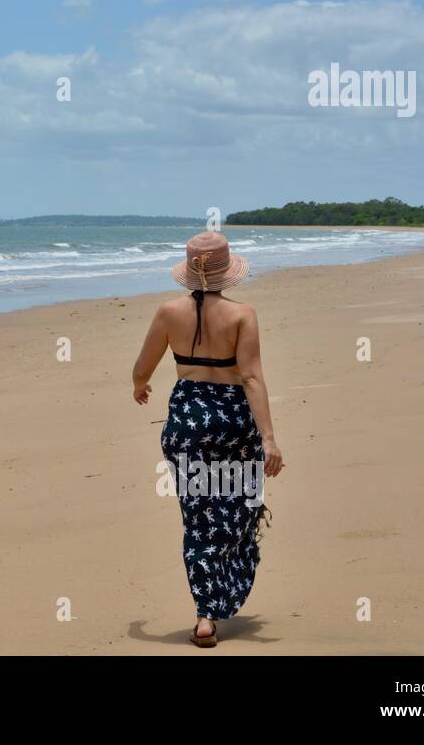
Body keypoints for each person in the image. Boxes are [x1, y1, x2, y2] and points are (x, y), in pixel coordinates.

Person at [132, 231, 284, 647]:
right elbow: (251, 376)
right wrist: (268, 438)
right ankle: (225, 590)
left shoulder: (167, 312)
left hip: (188, 426)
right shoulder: (242, 315)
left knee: (199, 519)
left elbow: (143, 366)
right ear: (226, 271)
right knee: (237, 508)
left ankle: (204, 616)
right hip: (234, 422)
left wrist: (139, 386)